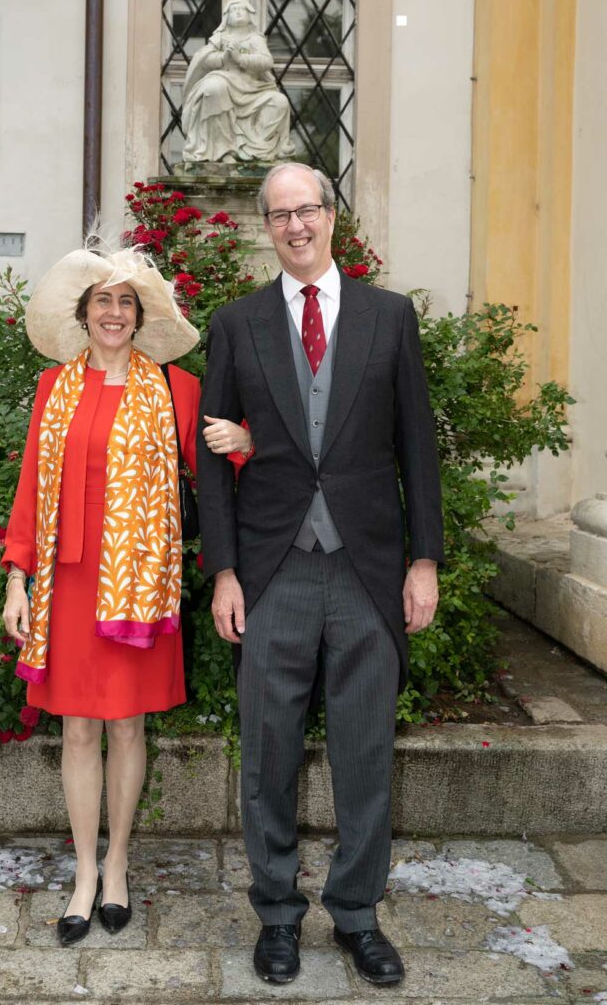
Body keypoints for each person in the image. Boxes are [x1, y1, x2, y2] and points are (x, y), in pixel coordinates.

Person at [197, 163, 444, 988]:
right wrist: (225, 572)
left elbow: (418, 451)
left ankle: (357, 915)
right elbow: (213, 460)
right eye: (278, 215)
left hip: (368, 570)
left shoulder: (388, 317)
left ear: (332, 217)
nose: (294, 226)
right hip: (273, 571)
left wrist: (424, 560)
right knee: (267, 753)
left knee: (366, 750)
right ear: (264, 227)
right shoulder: (236, 325)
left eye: (306, 210)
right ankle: (275, 914)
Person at [1, 237, 247, 946]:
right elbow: (30, 490)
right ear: (84, 314)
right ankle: (82, 873)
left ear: (141, 316)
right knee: (77, 729)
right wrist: (17, 577)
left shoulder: (177, 389)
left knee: (127, 726)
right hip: (67, 584)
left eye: (126, 302)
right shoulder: (54, 389)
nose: (114, 313)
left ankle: (117, 867)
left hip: (138, 585)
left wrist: (245, 442)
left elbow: (224, 477)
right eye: (102, 301)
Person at [181, 0, 295, 164]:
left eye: (243, 10)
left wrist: (241, 58)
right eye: (234, 11)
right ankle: (222, 150)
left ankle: (258, 151)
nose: (238, 12)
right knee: (213, 88)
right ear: (227, 17)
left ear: (250, 16)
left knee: (279, 101)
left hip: (253, 88)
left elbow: (266, 61)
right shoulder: (220, 37)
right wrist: (223, 57)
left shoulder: (255, 38)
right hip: (226, 79)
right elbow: (205, 59)